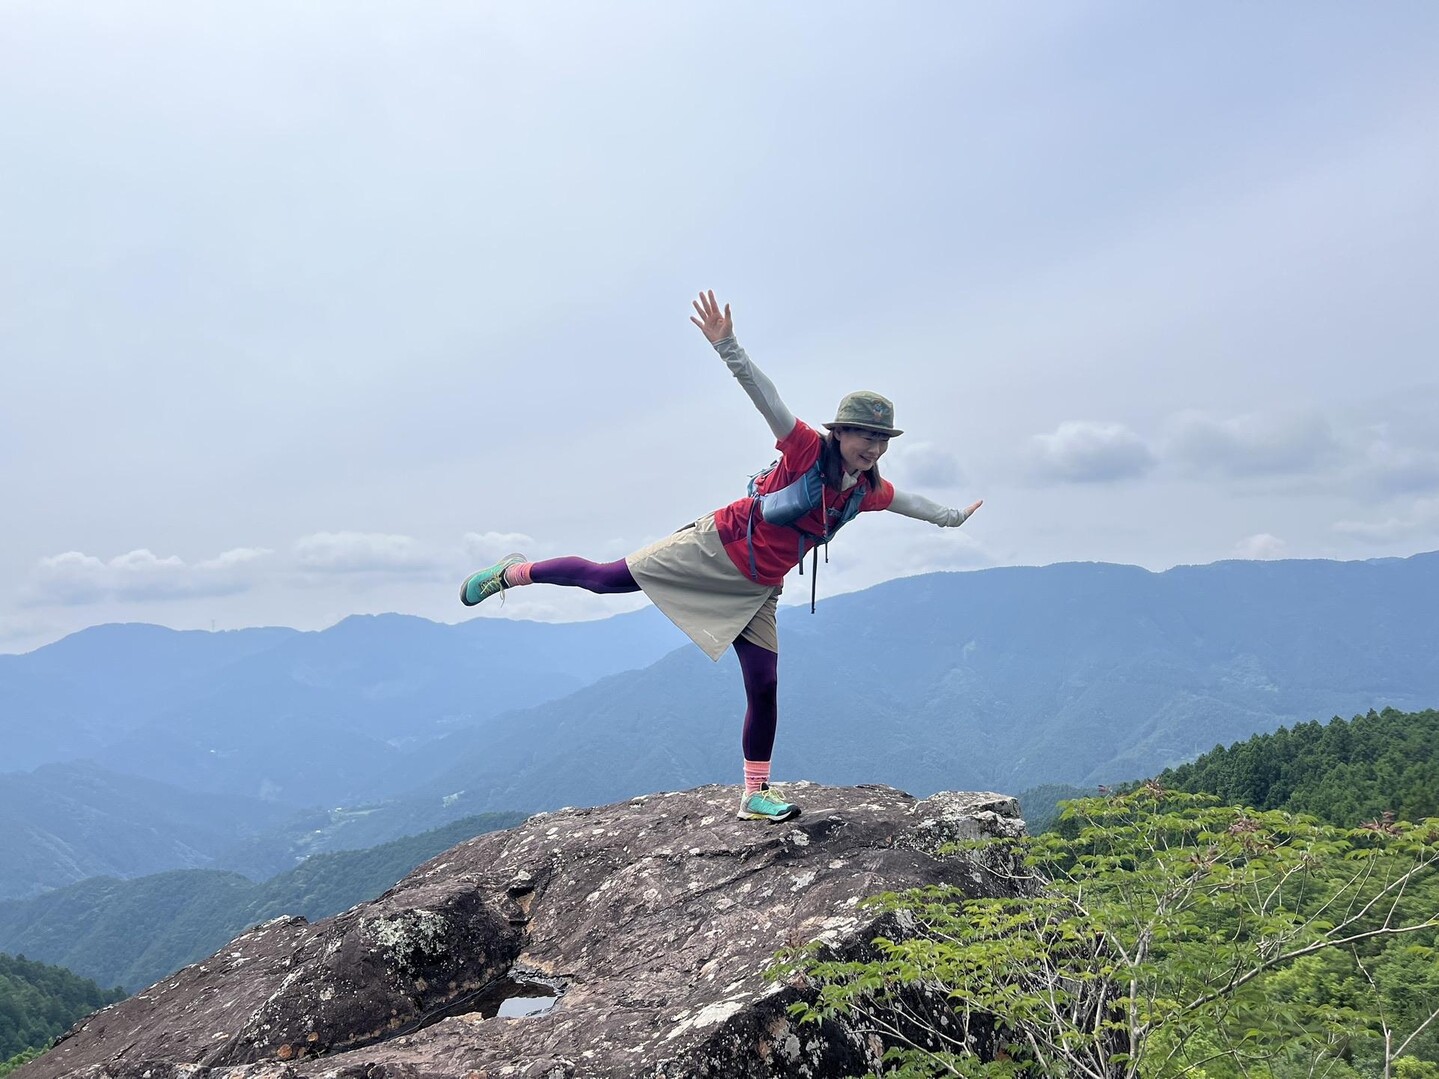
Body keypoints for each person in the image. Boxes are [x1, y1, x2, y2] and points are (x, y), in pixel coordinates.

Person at [459, 291, 982, 823]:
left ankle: (755, 795)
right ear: (839, 432)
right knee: (605, 580)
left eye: (881, 440)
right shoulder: (804, 449)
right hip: (715, 546)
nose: (872, 448)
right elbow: (766, 396)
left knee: (765, 684)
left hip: (759, 586)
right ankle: (510, 573)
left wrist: (954, 518)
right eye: (864, 436)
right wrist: (727, 346)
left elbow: (911, 503)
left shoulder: (864, 490)